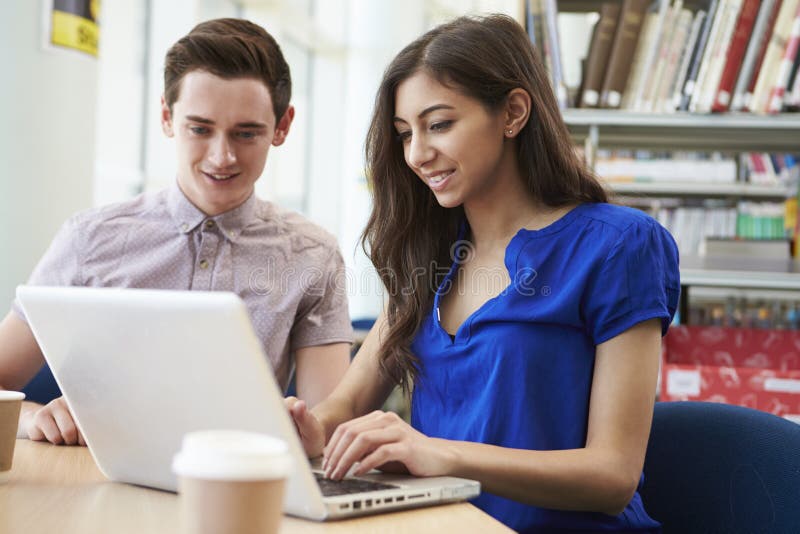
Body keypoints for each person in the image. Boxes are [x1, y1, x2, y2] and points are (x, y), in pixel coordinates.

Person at [286, 14, 679, 533]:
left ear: (513, 113)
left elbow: (613, 476)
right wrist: (313, 433)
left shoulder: (619, 246)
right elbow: (347, 403)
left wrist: (441, 455)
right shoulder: (431, 255)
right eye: (405, 134)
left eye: (440, 124)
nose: (418, 155)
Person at [0, 18, 352, 447]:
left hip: (234, 483)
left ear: (282, 126)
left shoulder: (313, 255)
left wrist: (306, 429)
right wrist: (29, 418)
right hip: (96, 487)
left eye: (246, 133)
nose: (221, 156)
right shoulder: (88, 240)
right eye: (200, 129)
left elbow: (324, 427)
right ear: (167, 117)